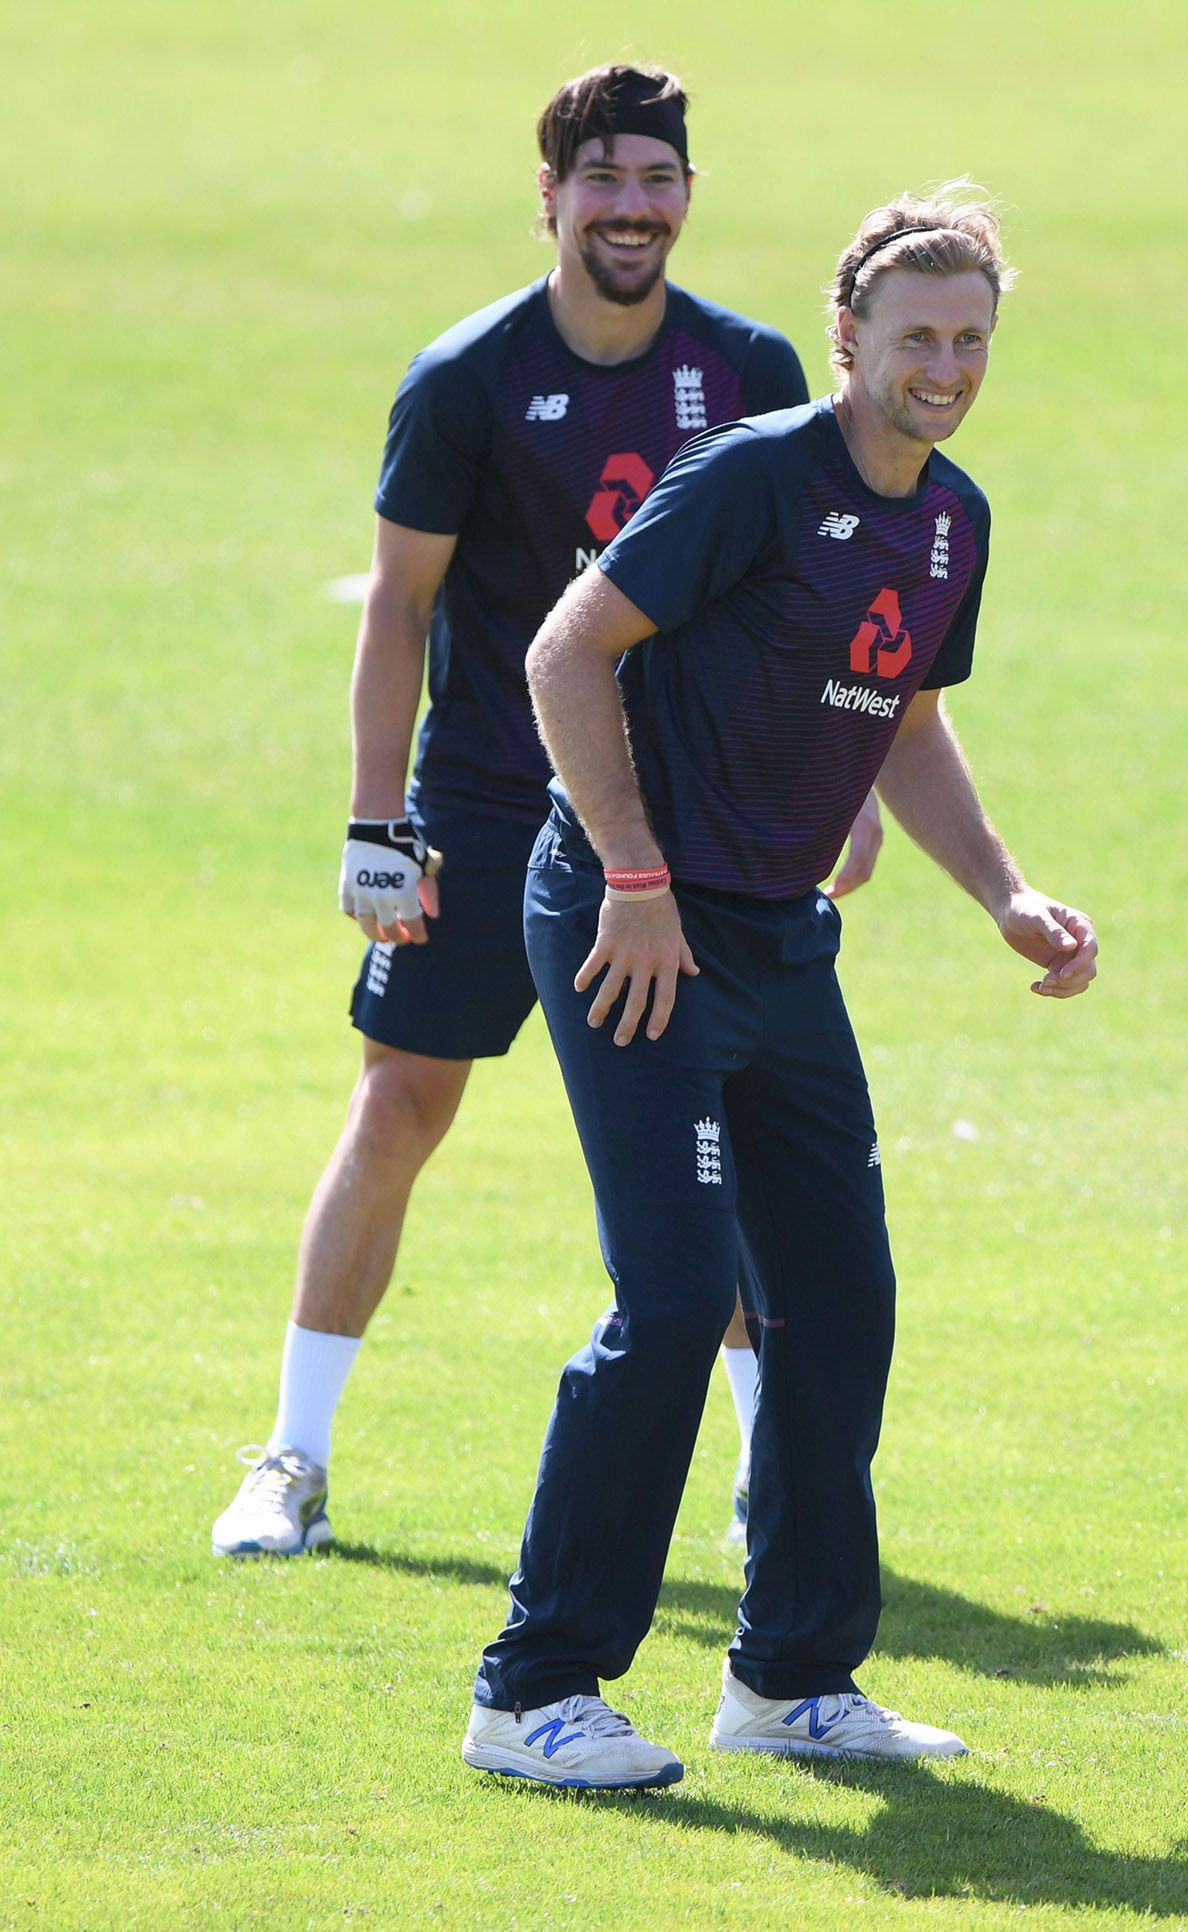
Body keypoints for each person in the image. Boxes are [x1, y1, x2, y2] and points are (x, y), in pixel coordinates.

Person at [460, 182, 1099, 1789]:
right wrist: (636, 875)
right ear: (848, 338)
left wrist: (1005, 892)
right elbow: (565, 650)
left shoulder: (953, 518)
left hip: (777, 942)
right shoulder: (753, 474)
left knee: (839, 1302)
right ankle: (532, 1692)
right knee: (677, 1301)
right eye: (916, 337)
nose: (944, 366)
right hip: (635, 923)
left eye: (970, 340)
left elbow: (903, 718)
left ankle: (793, 1679)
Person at [212, 64, 883, 1559]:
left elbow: (812, 594)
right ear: (551, 199)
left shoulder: (752, 366)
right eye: (603, 181)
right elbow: (399, 610)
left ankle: (771, 1482)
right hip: (490, 801)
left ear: (688, 196)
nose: (632, 208)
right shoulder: (464, 380)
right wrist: (377, 826)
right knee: (399, 1106)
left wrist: (830, 787)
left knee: (703, 1142)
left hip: (678, 828)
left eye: (658, 180)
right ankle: (293, 1459)